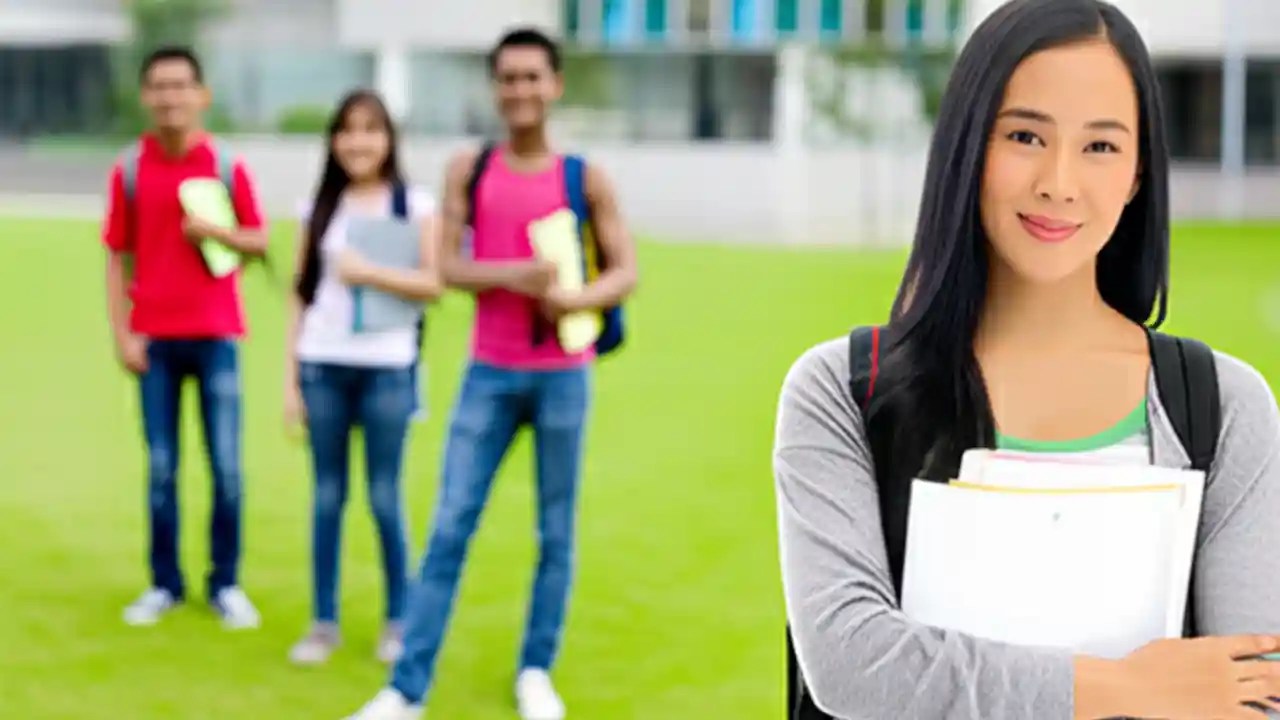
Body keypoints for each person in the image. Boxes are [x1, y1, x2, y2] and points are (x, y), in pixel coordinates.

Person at [774, 1, 1280, 718]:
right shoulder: (841, 391)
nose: (1059, 182)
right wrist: (1127, 687)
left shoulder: (1223, 406)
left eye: (1100, 146)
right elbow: (855, 666)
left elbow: (1254, 690)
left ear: (1138, 172)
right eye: (1024, 136)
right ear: (967, 147)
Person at [344, 27, 638, 720]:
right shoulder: (469, 169)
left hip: (564, 376)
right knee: (450, 526)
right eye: (508, 78)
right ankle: (406, 689)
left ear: (555, 85)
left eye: (532, 77)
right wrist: (516, 275)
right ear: (494, 88)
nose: (519, 90)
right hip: (490, 374)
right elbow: (445, 267)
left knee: (555, 532)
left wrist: (577, 299)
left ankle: (536, 671)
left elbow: (625, 271)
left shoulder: (584, 177)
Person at [102, 46, 268, 629]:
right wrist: (123, 334)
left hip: (217, 335)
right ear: (145, 96)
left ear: (203, 95)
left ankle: (226, 584)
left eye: (180, 86)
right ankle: (164, 584)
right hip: (155, 340)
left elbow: (259, 241)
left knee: (227, 469)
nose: (170, 97)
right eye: (159, 86)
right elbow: (117, 257)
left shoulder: (225, 165)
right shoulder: (130, 170)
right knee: (162, 470)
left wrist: (214, 232)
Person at [284, 90, 442, 666]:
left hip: (387, 367)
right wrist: (290, 381)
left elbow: (433, 284)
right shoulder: (319, 208)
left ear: (389, 139)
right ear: (333, 141)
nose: (358, 142)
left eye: (371, 130)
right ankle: (322, 622)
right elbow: (301, 295)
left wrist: (368, 272)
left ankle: (399, 619)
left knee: (384, 496)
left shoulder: (413, 205)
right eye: (347, 131)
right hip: (323, 363)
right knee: (327, 497)